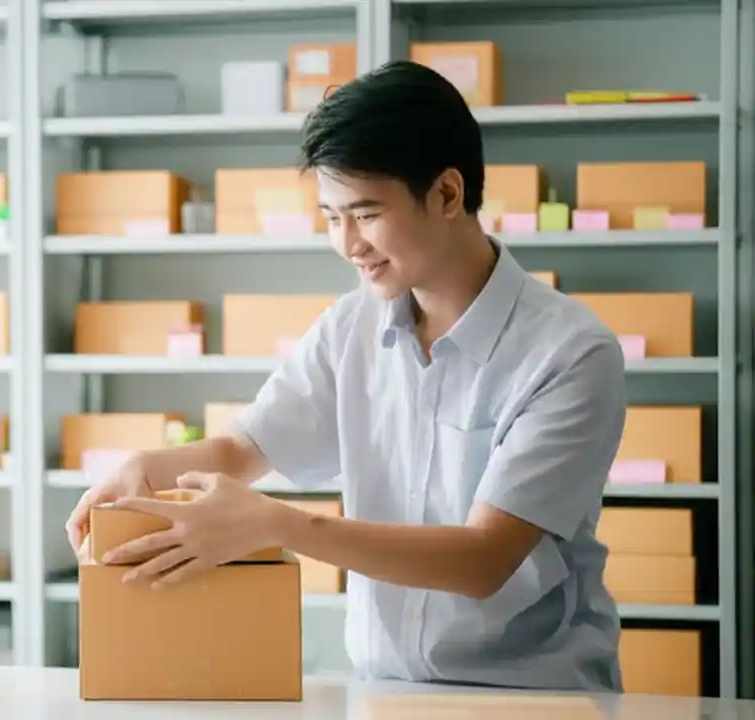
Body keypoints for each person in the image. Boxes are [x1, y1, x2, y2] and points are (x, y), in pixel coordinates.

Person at [64, 60, 626, 693]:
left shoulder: (570, 353)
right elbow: (244, 450)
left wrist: (277, 524)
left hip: (535, 697)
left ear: (447, 194)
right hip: (385, 690)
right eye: (332, 218)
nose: (348, 244)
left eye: (365, 214)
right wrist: (147, 467)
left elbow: (484, 559)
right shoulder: (351, 327)